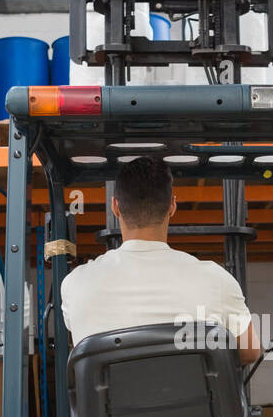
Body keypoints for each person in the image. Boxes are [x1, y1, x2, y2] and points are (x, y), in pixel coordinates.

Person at [60, 155, 262, 364]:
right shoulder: (217, 280)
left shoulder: (76, 283)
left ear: (115, 207)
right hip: (192, 396)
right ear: (172, 205)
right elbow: (249, 352)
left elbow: (82, 354)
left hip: (114, 398)